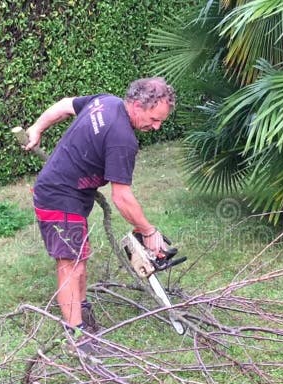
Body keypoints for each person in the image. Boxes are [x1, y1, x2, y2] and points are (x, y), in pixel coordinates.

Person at [24, 77, 175, 345]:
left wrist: (37, 127)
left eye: (161, 121)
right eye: (154, 119)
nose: (156, 127)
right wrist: (148, 231)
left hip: (70, 193)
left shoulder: (106, 102)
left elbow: (64, 105)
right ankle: (77, 337)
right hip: (59, 196)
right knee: (71, 265)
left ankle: (82, 311)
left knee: (79, 259)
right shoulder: (122, 140)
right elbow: (122, 197)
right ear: (137, 105)